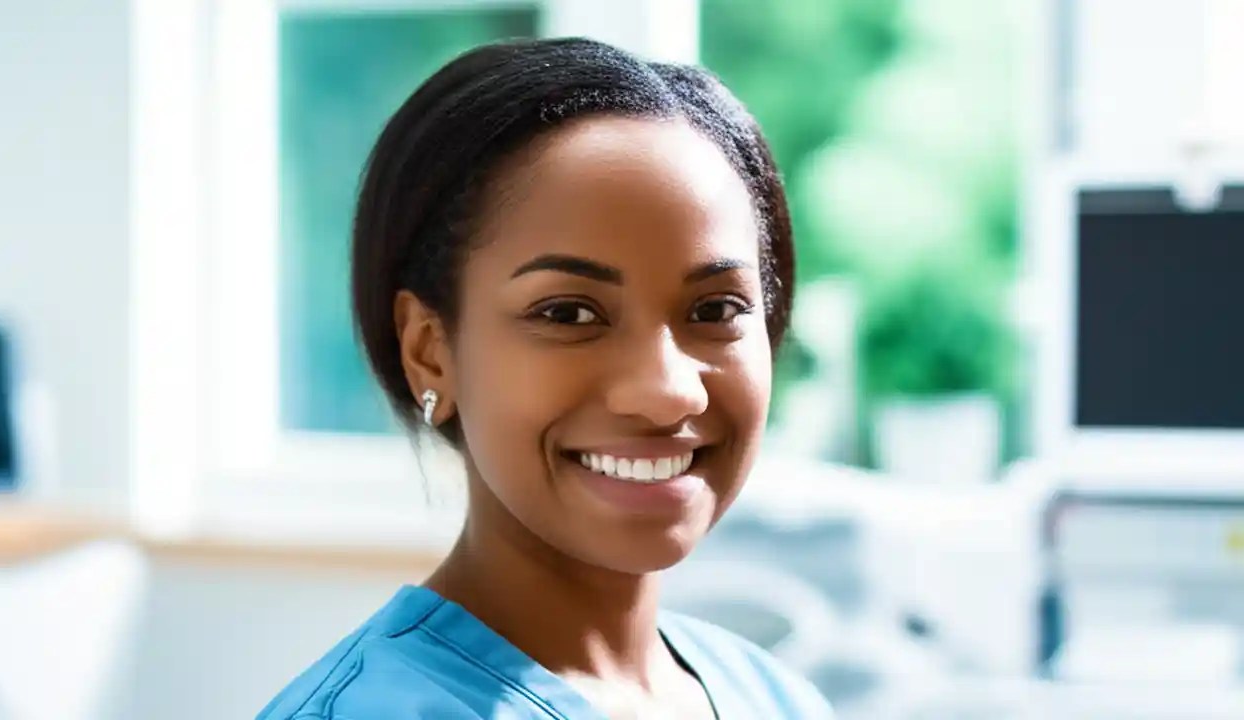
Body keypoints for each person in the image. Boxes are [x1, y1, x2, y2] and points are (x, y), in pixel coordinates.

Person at [257, 37, 833, 720]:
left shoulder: (777, 700)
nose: (668, 391)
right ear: (430, 352)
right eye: (569, 312)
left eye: (716, 309)